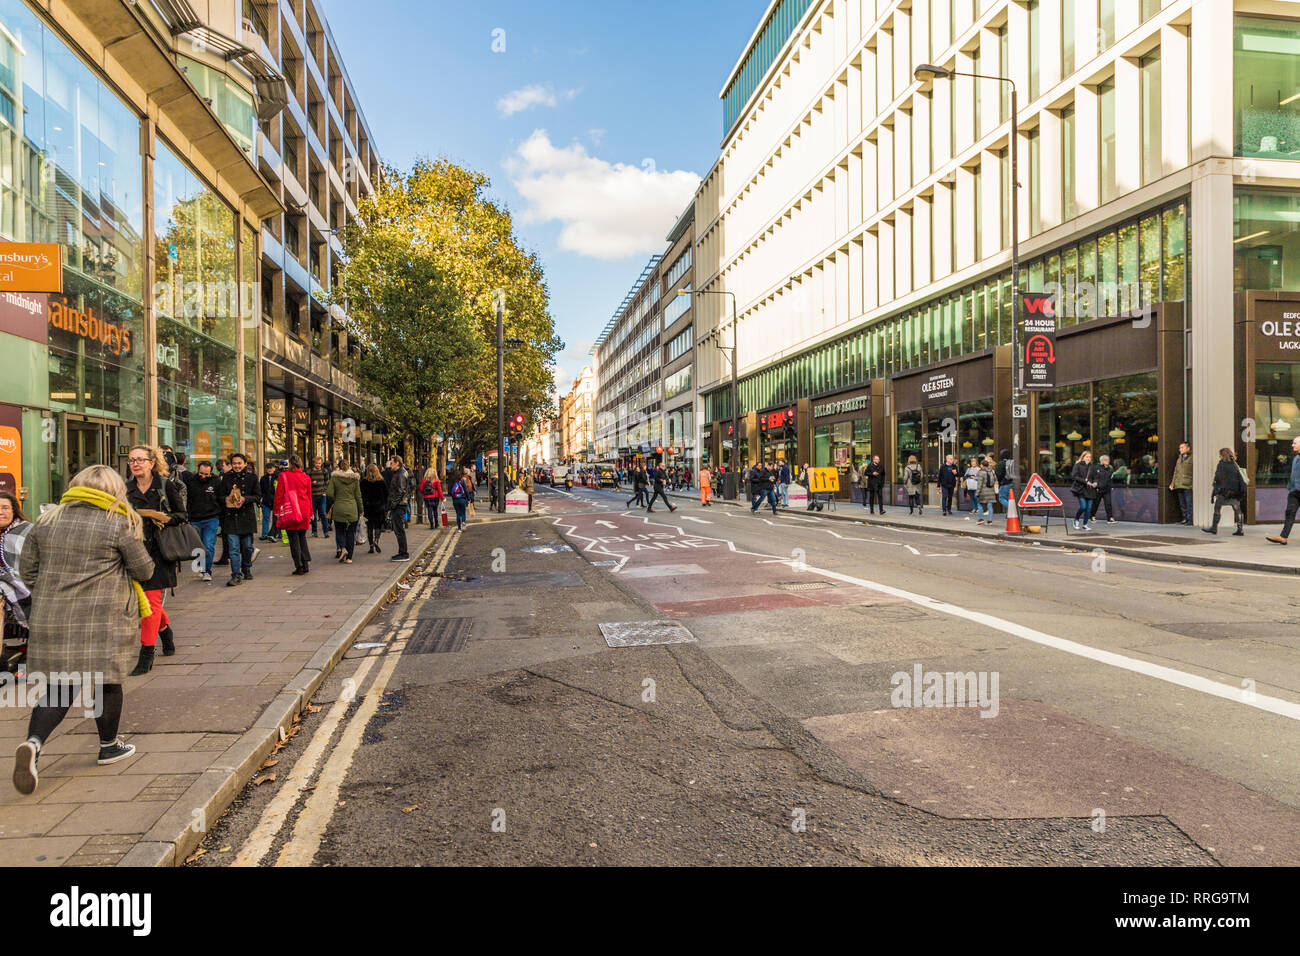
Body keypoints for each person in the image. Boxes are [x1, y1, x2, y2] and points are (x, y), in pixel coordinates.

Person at [12, 465, 155, 794]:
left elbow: (26, 572)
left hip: (53, 619)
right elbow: (144, 571)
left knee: (61, 688)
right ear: (112, 490)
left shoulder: (45, 522)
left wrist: (51, 594)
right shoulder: (118, 523)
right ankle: (108, 745)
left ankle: (33, 744)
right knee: (107, 682)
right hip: (103, 619)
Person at [125, 445, 185, 674]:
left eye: (140, 459)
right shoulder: (125, 488)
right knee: (145, 601)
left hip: (160, 552)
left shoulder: (165, 485)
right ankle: (166, 632)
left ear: (152, 463)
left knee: (150, 602)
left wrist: (164, 518)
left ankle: (146, 655)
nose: (136, 463)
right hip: (133, 551)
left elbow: (182, 515)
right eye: (132, 460)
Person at [0, 491, 33, 675]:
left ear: (14, 511)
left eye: (5, 508)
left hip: (18, 584)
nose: (1, 512)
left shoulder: (27, 530)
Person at [218, 453, 260, 587]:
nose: (237, 466)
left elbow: (258, 496)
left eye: (239, 463)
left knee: (247, 547)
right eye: (234, 463)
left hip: (246, 517)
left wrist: (245, 499)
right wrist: (226, 499)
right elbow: (219, 496)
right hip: (230, 518)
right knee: (233, 548)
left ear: (245, 464)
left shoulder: (252, 478)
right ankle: (236, 575)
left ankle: (246, 567)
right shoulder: (226, 478)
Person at [184, 460, 222, 582]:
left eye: (206, 474)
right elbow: (186, 499)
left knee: (209, 545)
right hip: (195, 518)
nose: (203, 476)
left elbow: (221, 498)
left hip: (211, 518)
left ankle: (207, 571)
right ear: (198, 470)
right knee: (197, 546)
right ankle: (199, 567)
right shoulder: (190, 481)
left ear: (211, 472)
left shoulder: (216, 481)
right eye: (201, 473)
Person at [275, 456, 313, 575]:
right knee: (302, 537)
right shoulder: (306, 477)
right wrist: (311, 512)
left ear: (290, 464)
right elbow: (309, 495)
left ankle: (299, 566)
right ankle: (305, 563)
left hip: (291, 509)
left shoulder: (283, 476)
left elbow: (279, 494)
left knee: (293, 539)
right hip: (304, 509)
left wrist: (276, 510)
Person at [1203, 447, 1246, 536]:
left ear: (1222, 455)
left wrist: (1216, 489)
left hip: (1224, 491)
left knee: (1217, 508)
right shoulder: (1234, 464)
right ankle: (1240, 529)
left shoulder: (1222, 464)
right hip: (1235, 491)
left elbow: (1218, 477)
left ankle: (1214, 528)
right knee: (1237, 509)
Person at [327, 461, 364, 562]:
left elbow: (329, 493)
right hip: (352, 508)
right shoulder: (355, 479)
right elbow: (358, 496)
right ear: (349, 467)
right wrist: (361, 510)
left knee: (339, 531)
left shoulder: (335, 478)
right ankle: (349, 558)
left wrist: (336, 498)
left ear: (339, 467)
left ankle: (343, 548)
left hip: (339, 507)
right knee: (350, 533)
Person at [1267, 437, 1300, 545]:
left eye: (1295, 443)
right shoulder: (1296, 458)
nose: (1292, 445)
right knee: (1289, 513)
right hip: (1294, 491)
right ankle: (1283, 537)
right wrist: (1291, 487)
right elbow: (1293, 474)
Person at [384, 457, 411, 560]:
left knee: (399, 529)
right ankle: (402, 552)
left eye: (392, 463)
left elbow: (401, 491)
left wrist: (393, 504)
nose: (390, 465)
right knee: (398, 529)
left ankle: (403, 553)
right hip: (400, 504)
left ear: (397, 463)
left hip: (399, 505)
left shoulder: (400, 474)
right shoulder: (401, 472)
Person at [361, 463, 388, 553]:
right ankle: (376, 540)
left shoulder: (363, 482)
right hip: (379, 507)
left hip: (368, 508)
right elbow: (386, 495)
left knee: (369, 527)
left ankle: (371, 546)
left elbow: (361, 495)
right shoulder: (381, 482)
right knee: (378, 526)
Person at [1070, 451, 1098, 531]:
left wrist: (1095, 482)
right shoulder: (1078, 465)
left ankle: (1085, 524)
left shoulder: (1092, 467)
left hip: (1090, 490)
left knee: (1089, 508)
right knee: (1083, 506)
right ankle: (1076, 519)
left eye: (1090, 457)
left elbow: (1096, 476)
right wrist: (1085, 481)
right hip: (1081, 489)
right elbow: (1074, 476)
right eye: (1087, 457)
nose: (1088, 458)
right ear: (1082, 457)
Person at [1170, 442, 1194, 525]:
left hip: (1188, 484)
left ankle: (1190, 519)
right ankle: (1185, 518)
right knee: (1182, 503)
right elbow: (1176, 472)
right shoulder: (1179, 459)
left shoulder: (1192, 458)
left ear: (1188, 448)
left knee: (1189, 503)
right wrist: (1173, 483)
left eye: (1182, 447)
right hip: (1179, 483)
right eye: (1180, 448)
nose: (1180, 449)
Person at [309, 458, 331, 538]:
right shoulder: (310, 472)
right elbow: (306, 482)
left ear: (321, 463)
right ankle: (314, 531)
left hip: (322, 495)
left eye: (319, 463)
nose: (318, 465)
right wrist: (312, 483)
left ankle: (326, 531)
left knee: (323, 513)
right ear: (314, 463)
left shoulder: (324, 471)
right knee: (313, 514)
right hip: (312, 495)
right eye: (316, 463)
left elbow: (327, 482)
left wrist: (324, 491)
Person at [1093, 455, 1116, 523]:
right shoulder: (1096, 468)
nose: (1108, 461)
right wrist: (1096, 485)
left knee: (1108, 503)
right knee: (1096, 503)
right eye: (1106, 460)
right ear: (1102, 461)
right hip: (1098, 489)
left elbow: (1111, 478)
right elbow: (1095, 477)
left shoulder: (1110, 469)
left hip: (1107, 489)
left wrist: (1111, 486)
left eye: (1108, 459)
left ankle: (1110, 517)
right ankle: (1092, 515)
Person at [259, 461, 278, 541]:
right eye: (268, 468)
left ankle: (275, 534)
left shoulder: (278, 477)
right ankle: (265, 534)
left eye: (271, 468)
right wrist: (260, 499)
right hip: (266, 501)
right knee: (266, 518)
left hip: (275, 501)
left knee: (276, 519)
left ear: (274, 469)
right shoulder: (263, 478)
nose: (269, 469)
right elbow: (260, 490)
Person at [975, 456, 998, 524]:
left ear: (982, 465)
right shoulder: (992, 471)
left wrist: (977, 493)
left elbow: (979, 484)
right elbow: (995, 480)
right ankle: (990, 521)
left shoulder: (981, 472)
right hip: (991, 491)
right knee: (990, 505)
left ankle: (981, 519)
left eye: (981, 465)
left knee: (979, 504)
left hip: (983, 492)